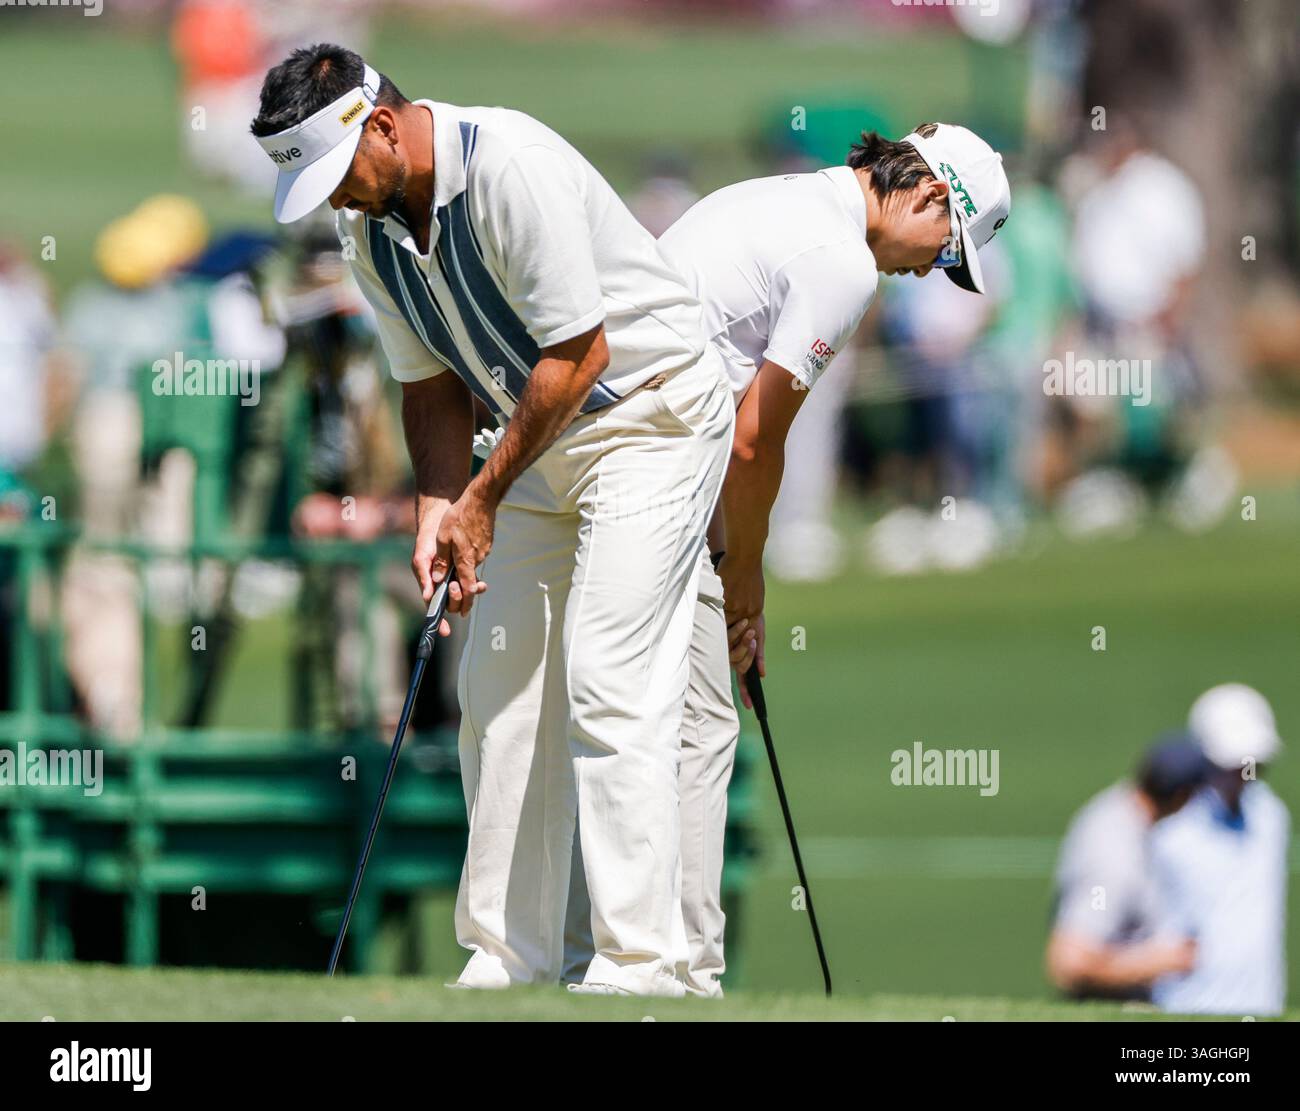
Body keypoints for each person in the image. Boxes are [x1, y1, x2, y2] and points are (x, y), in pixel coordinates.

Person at [250, 44, 733, 996]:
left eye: (339, 176)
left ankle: (644, 961)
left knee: (607, 673)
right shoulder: (370, 231)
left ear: (382, 125)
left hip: (652, 417)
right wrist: (439, 509)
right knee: (500, 691)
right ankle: (510, 955)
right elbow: (429, 386)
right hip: (538, 442)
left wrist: (481, 497)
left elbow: (580, 354)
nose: (338, 201)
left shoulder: (509, 166)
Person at [565, 123, 1011, 996]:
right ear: (927, 194)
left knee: (630, 715)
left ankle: (605, 956)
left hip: (607, 458)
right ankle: (680, 973)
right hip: (654, 473)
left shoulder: (777, 198)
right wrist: (747, 581)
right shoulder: (840, 261)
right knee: (698, 727)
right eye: (945, 251)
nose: (928, 272)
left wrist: (733, 558)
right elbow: (754, 439)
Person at [1149, 684, 1289, 1015]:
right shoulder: (1171, 825)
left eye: (1252, 765)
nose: (1242, 775)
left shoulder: (1271, 817)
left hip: (1263, 1007)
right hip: (1185, 1008)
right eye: (1232, 765)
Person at [1045, 734, 1205, 1001]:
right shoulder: (1116, 861)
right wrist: (1160, 961)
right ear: (1182, 796)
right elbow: (1071, 963)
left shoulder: (1116, 809)